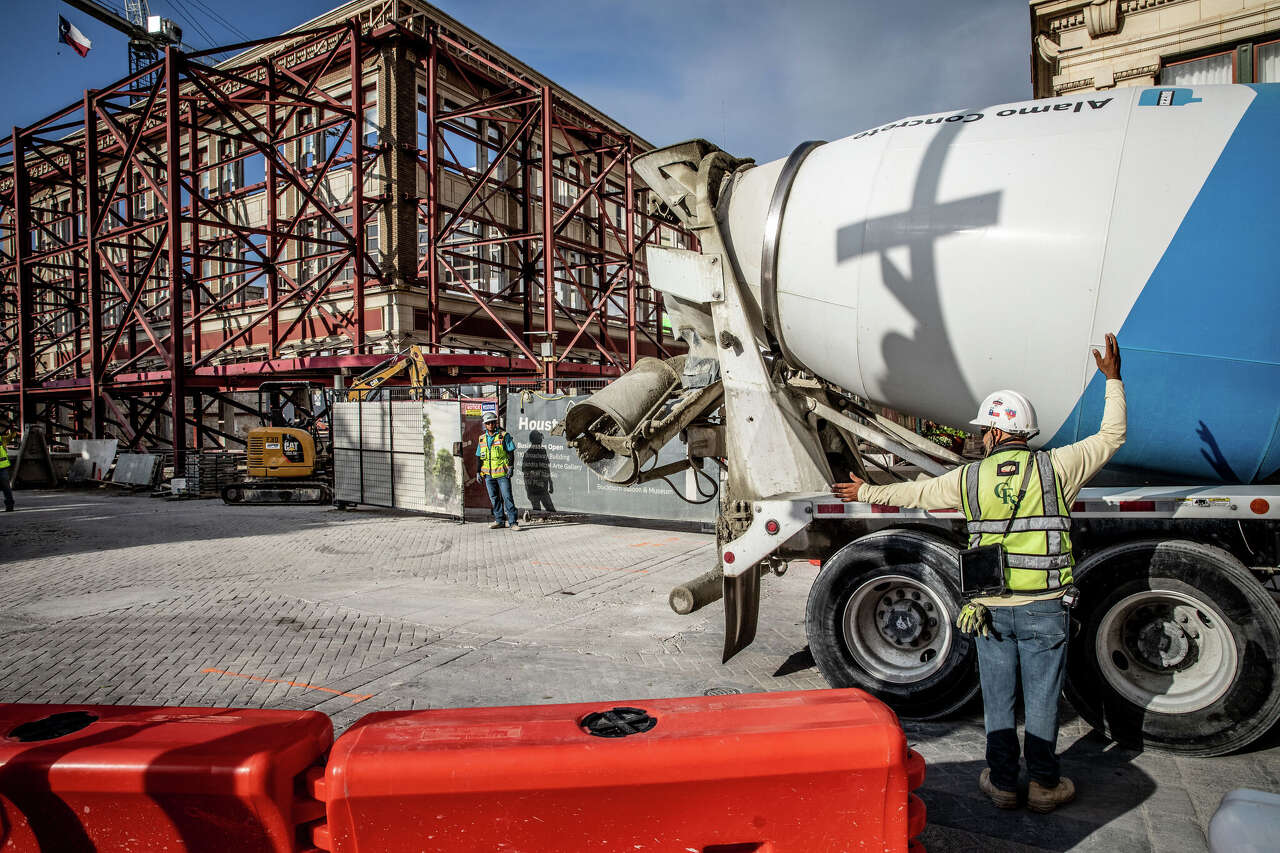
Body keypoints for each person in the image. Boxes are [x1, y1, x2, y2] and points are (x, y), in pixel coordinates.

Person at [832, 333, 1125, 814]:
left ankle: (1005, 783)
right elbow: (1112, 437)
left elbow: (914, 495)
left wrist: (864, 490)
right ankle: (1045, 785)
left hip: (989, 612)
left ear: (992, 433)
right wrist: (1112, 380)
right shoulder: (1059, 468)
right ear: (1024, 432)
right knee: (1044, 698)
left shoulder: (968, 479)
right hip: (1045, 609)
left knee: (999, 701)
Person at [477, 410, 518, 530]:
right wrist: (478, 471)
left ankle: (513, 523)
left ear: (496, 423)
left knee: (507, 497)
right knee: (494, 498)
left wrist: (510, 467)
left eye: (492, 422)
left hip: (502, 474)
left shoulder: (504, 436)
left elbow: (510, 452)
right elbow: (479, 456)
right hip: (488, 475)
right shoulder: (481, 439)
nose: (490, 425)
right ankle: (499, 520)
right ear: (485, 424)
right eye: (488, 423)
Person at [521, 430, 556, 513]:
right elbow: (525, 470)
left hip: (541, 486)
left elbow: (546, 468)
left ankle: (541, 518)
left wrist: (550, 483)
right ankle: (540, 518)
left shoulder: (542, 451)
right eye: (540, 439)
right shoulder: (529, 453)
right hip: (533, 486)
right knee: (538, 507)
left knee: (548, 507)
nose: (541, 441)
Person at [0, 432, 13, 512]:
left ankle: (9, 505)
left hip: (3, 468)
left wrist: (13, 430)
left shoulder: (2, 439)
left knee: (6, 488)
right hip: (3, 469)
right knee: (6, 488)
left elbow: (10, 436)